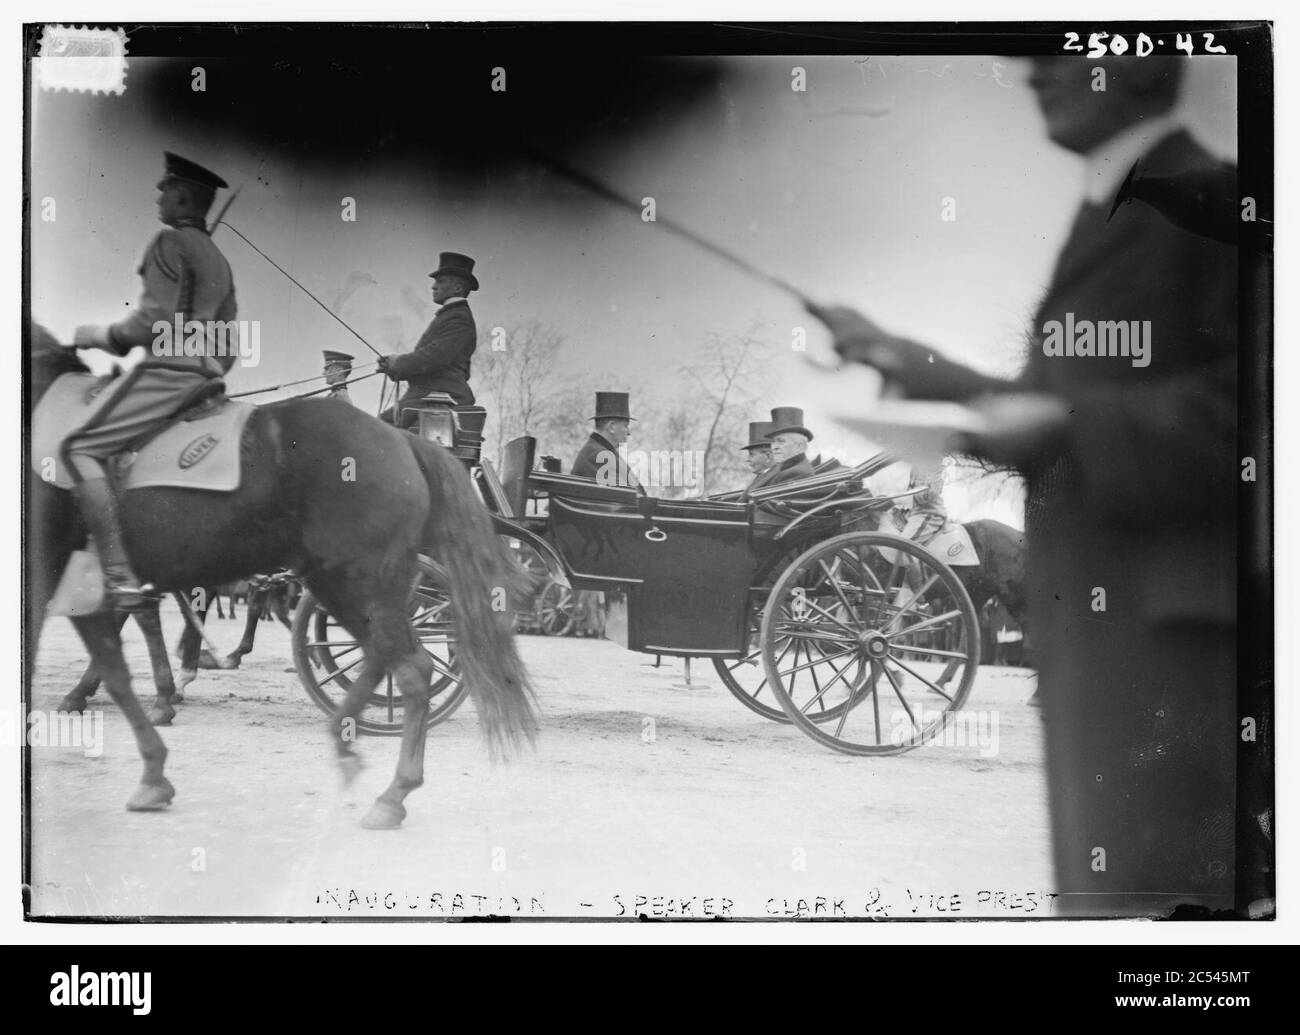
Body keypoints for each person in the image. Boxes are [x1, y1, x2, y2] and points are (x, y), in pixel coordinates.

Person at [808, 56, 1239, 915]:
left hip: (1173, 647)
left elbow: (1259, 410)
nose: (1033, 72)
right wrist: (902, 358)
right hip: (1103, 627)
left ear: (1145, 68)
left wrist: (1071, 430)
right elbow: (1052, 400)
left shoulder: (1219, 200)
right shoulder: (1112, 208)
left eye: (1061, 53)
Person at [62, 152, 237, 610]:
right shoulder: (219, 260)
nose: (158, 194)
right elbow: (229, 343)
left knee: (77, 448)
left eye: (164, 188)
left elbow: (151, 321)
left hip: (167, 372)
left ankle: (118, 575)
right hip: (207, 375)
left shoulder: (167, 241)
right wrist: (210, 370)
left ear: (181, 197)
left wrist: (96, 335)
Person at [378, 251, 478, 428]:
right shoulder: (451, 315)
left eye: (440, 281)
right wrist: (394, 367)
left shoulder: (458, 317)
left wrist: (398, 362)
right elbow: (432, 360)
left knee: (375, 430)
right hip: (427, 395)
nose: (433, 287)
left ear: (457, 288)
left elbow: (435, 356)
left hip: (438, 396)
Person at [571, 391, 643, 491]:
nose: (629, 432)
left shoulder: (599, 450)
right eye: (625, 426)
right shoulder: (597, 455)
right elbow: (625, 498)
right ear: (611, 427)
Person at [743, 407, 815, 497]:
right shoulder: (786, 470)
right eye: (773, 441)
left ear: (799, 446)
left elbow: (768, 508)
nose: (774, 447)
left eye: (781, 441)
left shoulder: (795, 473)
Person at [740, 420, 774, 491]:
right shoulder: (762, 478)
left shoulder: (775, 479)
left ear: (767, 456)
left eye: (751, 454)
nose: (747, 459)